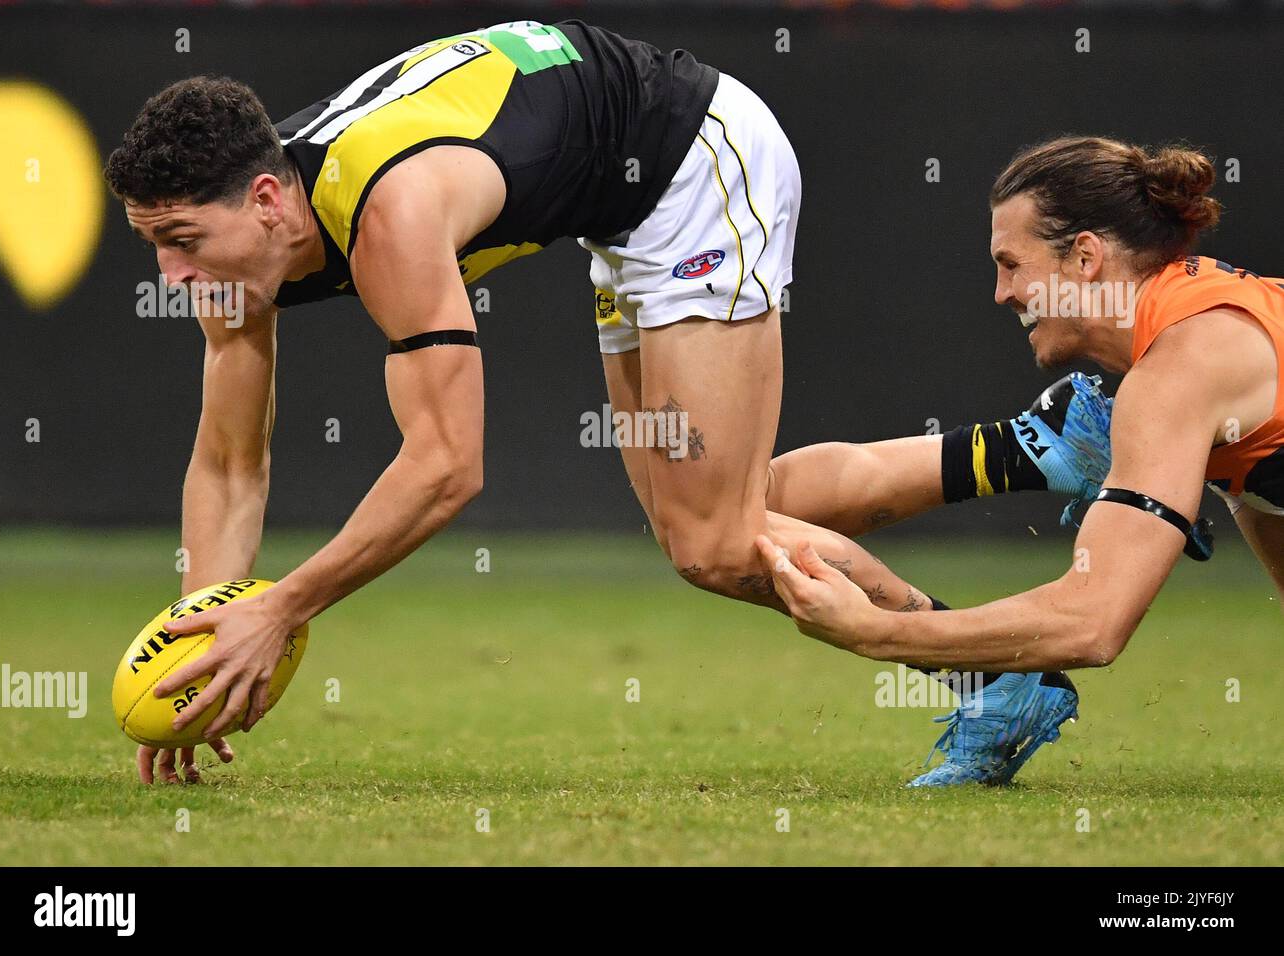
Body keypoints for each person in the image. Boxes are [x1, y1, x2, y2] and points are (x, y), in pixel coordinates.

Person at [104, 20, 1089, 786]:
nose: (172, 272)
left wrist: (282, 607)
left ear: (268, 202)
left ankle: (995, 678)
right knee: (709, 523)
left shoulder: (387, 213)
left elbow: (448, 465)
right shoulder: (239, 266)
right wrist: (204, 644)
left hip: (696, 157)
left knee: (716, 536)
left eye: (184, 238)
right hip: (619, 203)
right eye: (155, 243)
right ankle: (1035, 447)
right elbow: (232, 463)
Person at [757, 136, 1283, 782]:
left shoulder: (1182, 365)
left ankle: (1072, 442)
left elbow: (1093, 623)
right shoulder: (1201, 343)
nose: (1001, 293)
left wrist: (872, 631)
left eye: (1011, 264)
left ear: (1085, 256)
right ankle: (1071, 442)